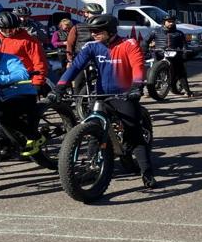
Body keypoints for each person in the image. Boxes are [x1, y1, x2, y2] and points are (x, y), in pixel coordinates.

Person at [54, 14, 157, 187]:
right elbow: (76, 66)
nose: (93, 34)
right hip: (101, 95)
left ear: (110, 31)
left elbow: (138, 66)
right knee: (93, 131)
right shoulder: (92, 47)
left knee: (134, 133)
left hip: (124, 94)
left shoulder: (128, 44)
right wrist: (60, 86)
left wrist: (137, 86)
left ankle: (147, 172)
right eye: (91, 31)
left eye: (97, 31)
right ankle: (93, 167)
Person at [0, 8, 47, 93]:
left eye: (12, 29)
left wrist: (38, 82)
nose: (8, 32)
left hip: (22, 81)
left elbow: (39, 62)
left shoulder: (29, 40)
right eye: (4, 30)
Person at [150, 15, 189, 94]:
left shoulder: (179, 33)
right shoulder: (155, 31)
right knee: (153, 72)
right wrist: (144, 50)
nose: (171, 23)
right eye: (169, 21)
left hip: (175, 55)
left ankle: (188, 91)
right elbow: (146, 41)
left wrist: (184, 53)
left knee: (181, 73)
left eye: (172, 21)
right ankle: (151, 89)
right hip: (159, 54)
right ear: (164, 22)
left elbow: (184, 45)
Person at [67, 2, 106, 66]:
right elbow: (70, 44)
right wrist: (70, 60)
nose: (97, 15)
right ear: (86, 13)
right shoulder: (77, 27)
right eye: (94, 13)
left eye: (99, 13)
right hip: (81, 58)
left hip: (100, 58)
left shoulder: (105, 27)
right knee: (77, 75)